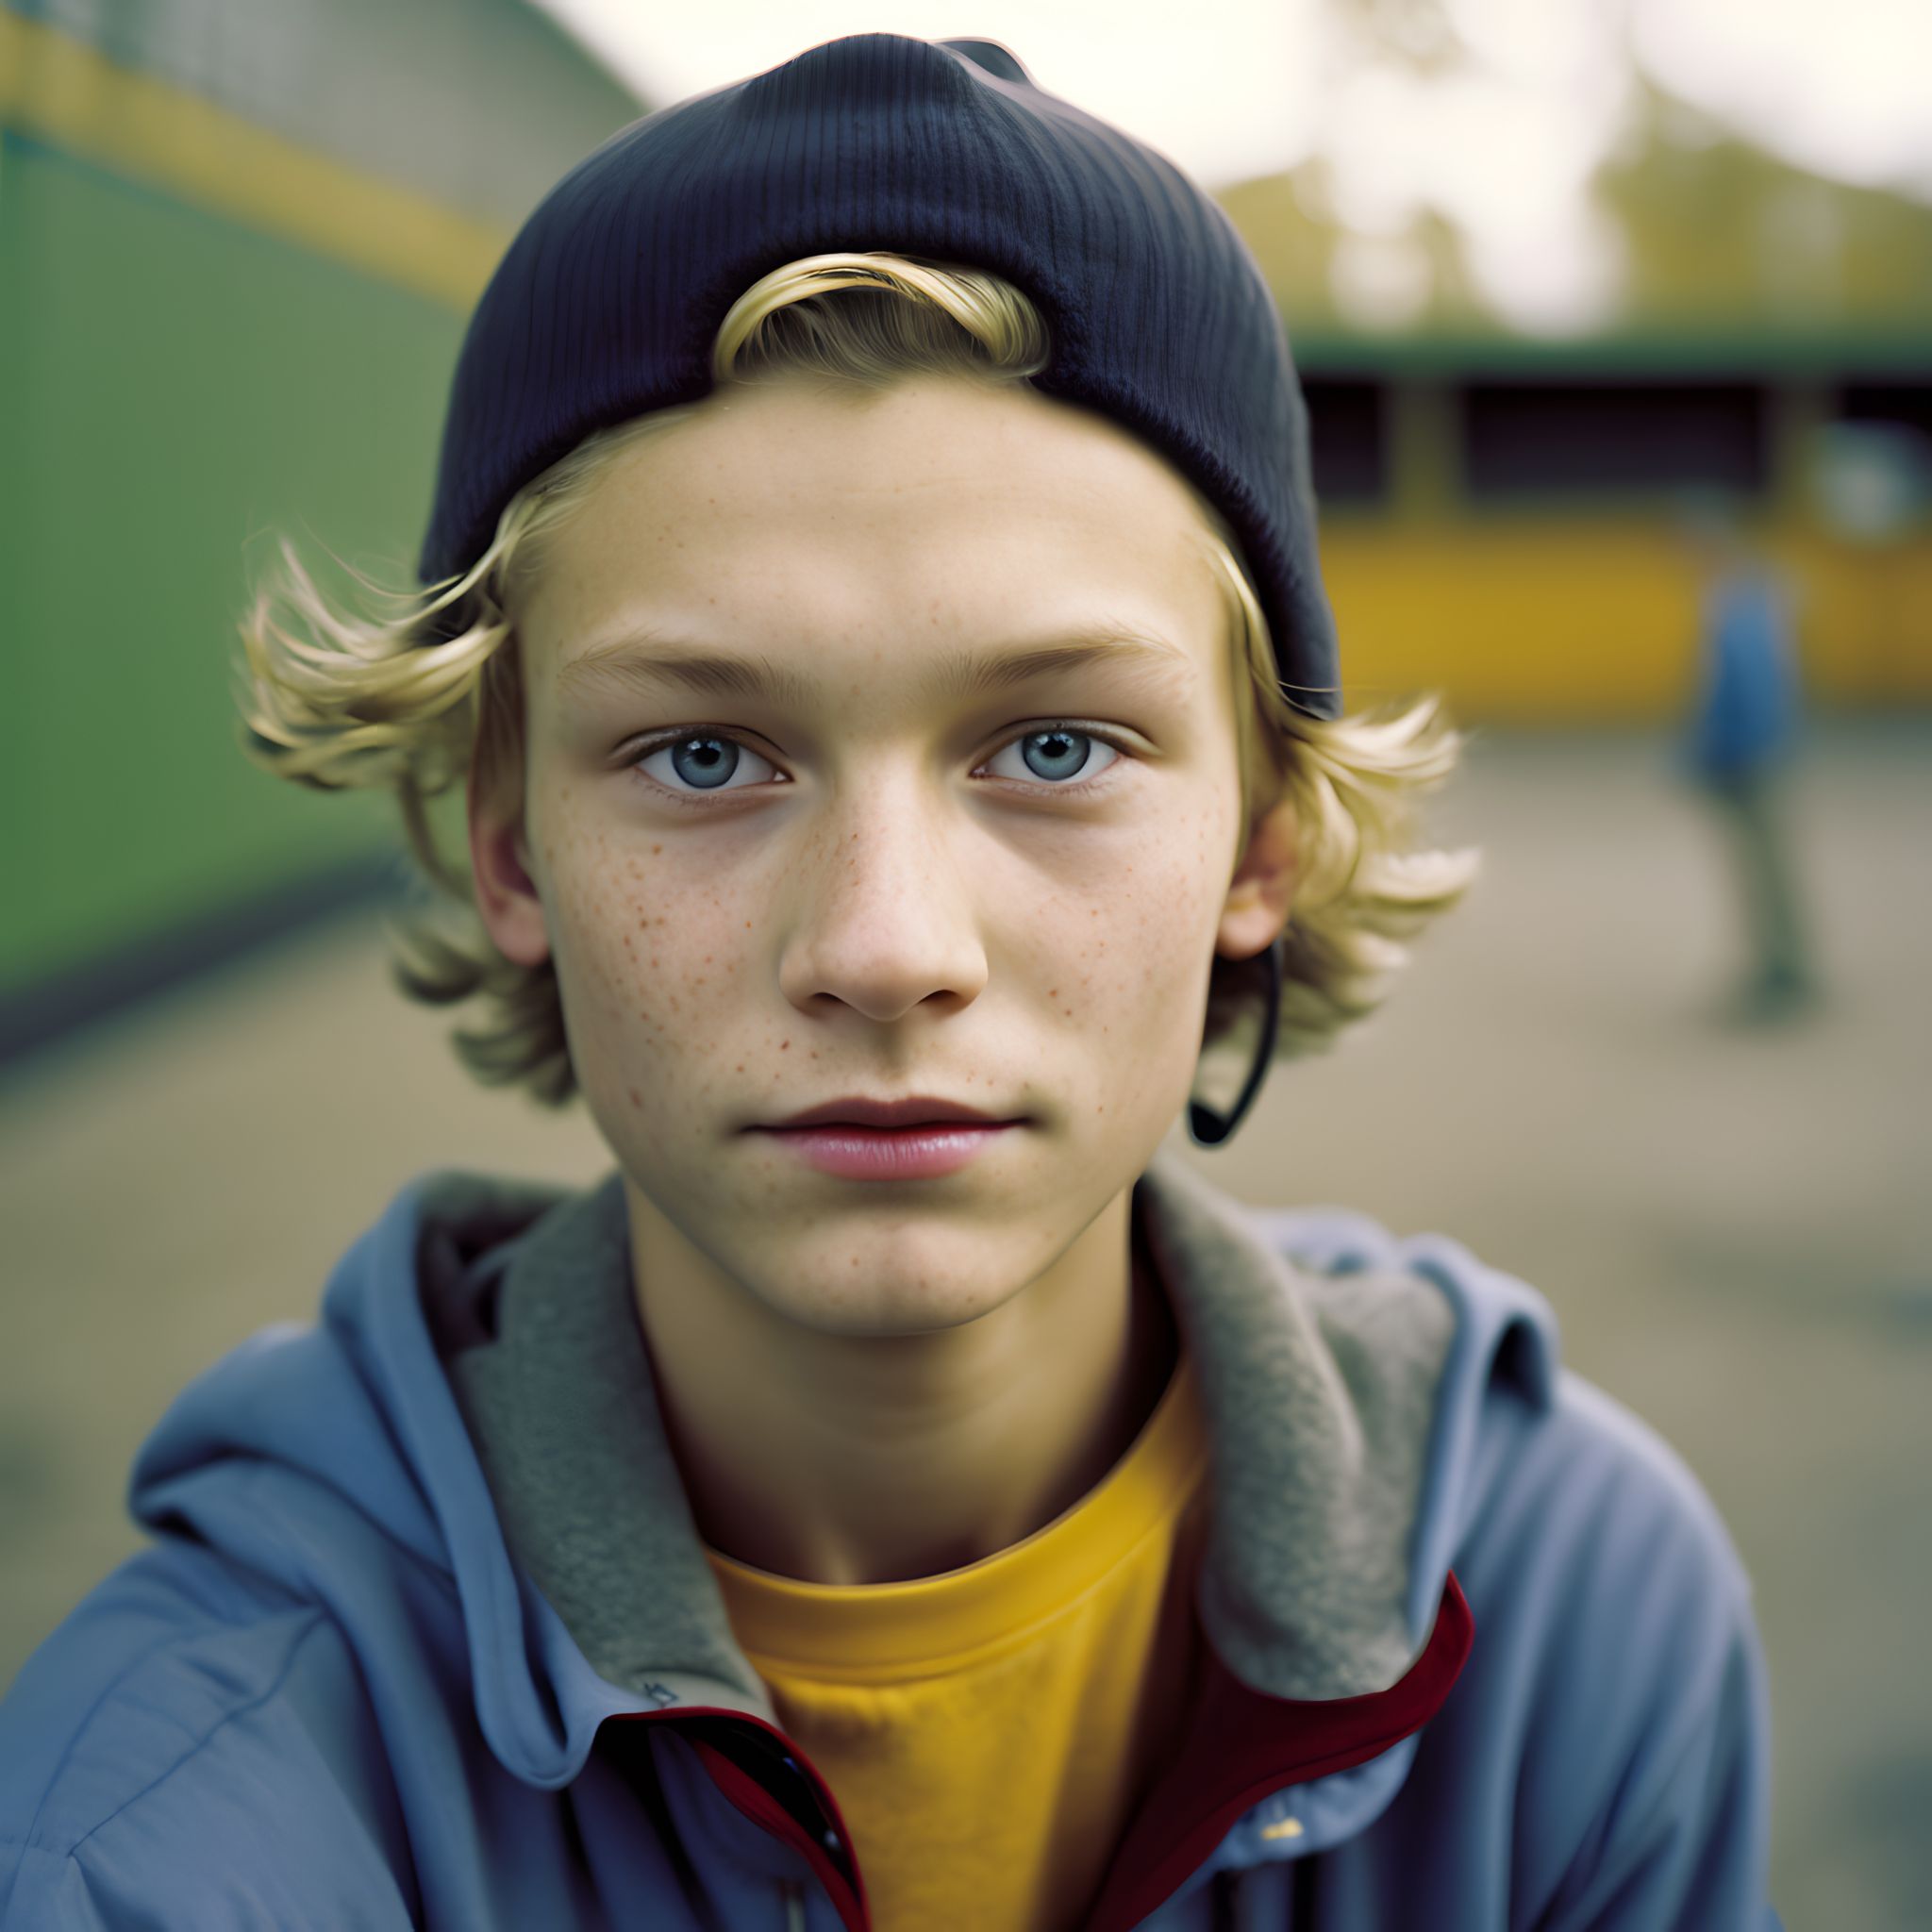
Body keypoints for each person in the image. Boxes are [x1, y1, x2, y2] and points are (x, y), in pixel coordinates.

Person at [0, 34, 1782, 1931]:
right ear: (509, 846)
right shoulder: (163, 1828)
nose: (883, 946)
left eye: (1054, 746)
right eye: (705, 755)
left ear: (1262, 843)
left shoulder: (1571, 1616)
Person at [1677, 500, 1821, 1024]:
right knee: (1766, 866)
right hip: (1756, 754)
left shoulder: (1737, 604)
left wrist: (1724, 754)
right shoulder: (1755, 596)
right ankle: (1783, 963)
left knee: (1763, 870)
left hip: (1747, 761)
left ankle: (1783, 970)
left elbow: (1746, 692)